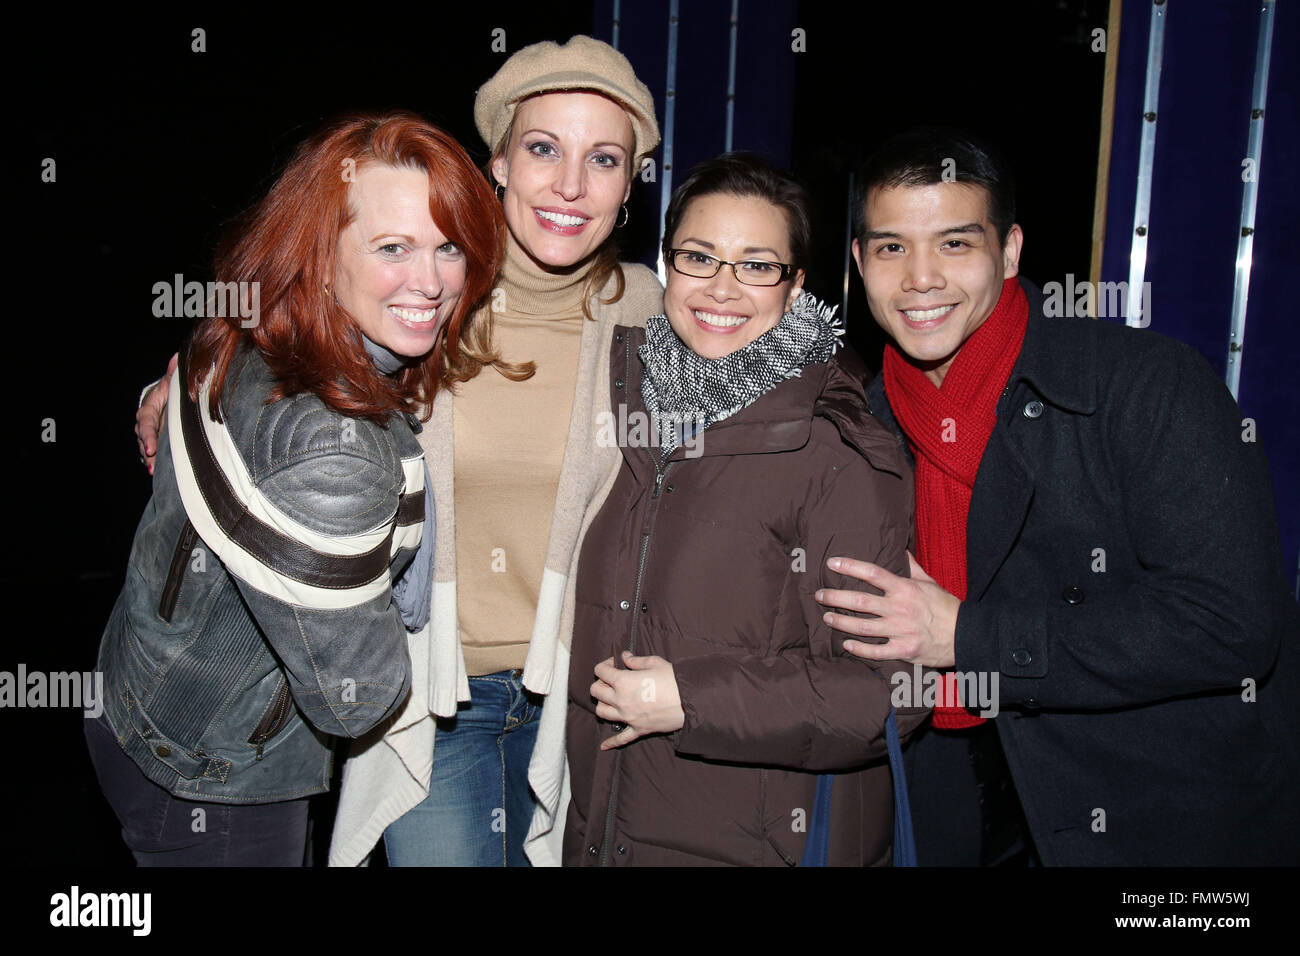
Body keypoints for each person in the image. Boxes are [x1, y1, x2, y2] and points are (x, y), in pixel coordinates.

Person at [130, 35, 663, 865]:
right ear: (497, 162)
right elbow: (278, 331)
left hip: (580, 699)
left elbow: (790, 390)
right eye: (543, 149)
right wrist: (170, 391)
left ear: (631, 184)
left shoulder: (659, 316)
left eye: (604, 159)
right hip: (429, 701)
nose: (569, 185)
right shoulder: (431, 291)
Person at [816, 127, 1300, 865]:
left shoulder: (1142, 385)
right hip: (943, 801)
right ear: (859, 261)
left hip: (1158, 823)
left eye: (954, 244)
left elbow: (1231, 625)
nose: (919, 278)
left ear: (1008, 252)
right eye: (890, 247)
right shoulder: (864, 424)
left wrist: (967, 638)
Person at [89, 112, 504, 865]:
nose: (433, 281)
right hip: (217, 774)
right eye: (392, 248)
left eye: (449, 247)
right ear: (321, 252)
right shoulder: (334, 455)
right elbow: (354, 696)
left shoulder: (251, 320)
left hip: (140, 693)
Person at [548, 153, 927, 866]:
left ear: (795, 285)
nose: (722, 288)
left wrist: (691, 697)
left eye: (756, 265)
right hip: (600, 831)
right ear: (666, 265)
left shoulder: (834, 451)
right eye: (699, 257)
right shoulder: (617, 408)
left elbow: (890, 695)